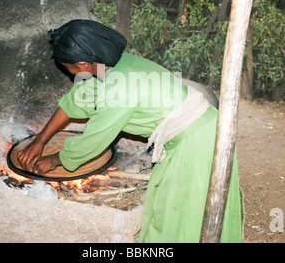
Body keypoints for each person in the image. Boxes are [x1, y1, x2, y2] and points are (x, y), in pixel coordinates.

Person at [17, 19, 242, 243]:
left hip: (197, 142)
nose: (69, 71)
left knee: (179, 218)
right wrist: (40, 140)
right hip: (205, 129)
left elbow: (92, 141)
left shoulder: (118, 89)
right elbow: (75, 101)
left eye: (69, 67)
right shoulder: (114, 65)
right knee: (178, 211)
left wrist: (54, 160)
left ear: (84, 64)